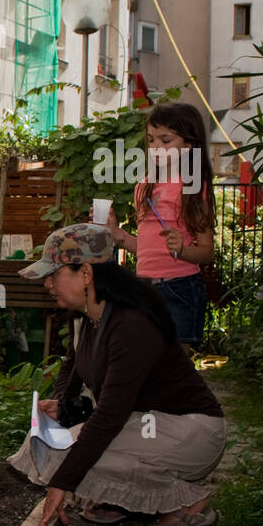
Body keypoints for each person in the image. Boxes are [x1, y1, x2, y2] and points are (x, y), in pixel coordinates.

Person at [9, 224, 227, 526]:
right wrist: (62, 406)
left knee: (69, 451)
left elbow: (110, 414)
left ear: (85, 274)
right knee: (48, 443)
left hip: (190, 433)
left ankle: (188, 503)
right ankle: (126, 500)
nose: (47, 284)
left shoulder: (131, 324)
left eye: (54, 274)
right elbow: (74, 366)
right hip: (143, 425)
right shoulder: (85, 313)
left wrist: (63, 484)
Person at [100, 102, 217, 348]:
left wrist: (182, 250)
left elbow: (207, 252)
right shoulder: (144, 187)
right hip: (143, 288)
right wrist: (116, 233)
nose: (155, 148)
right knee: (144, 367)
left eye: (166, 140)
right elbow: (145, 248)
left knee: (174, 373)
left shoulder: (193, 188)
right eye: (151, 140)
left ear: (189, 146)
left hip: (180, 288)